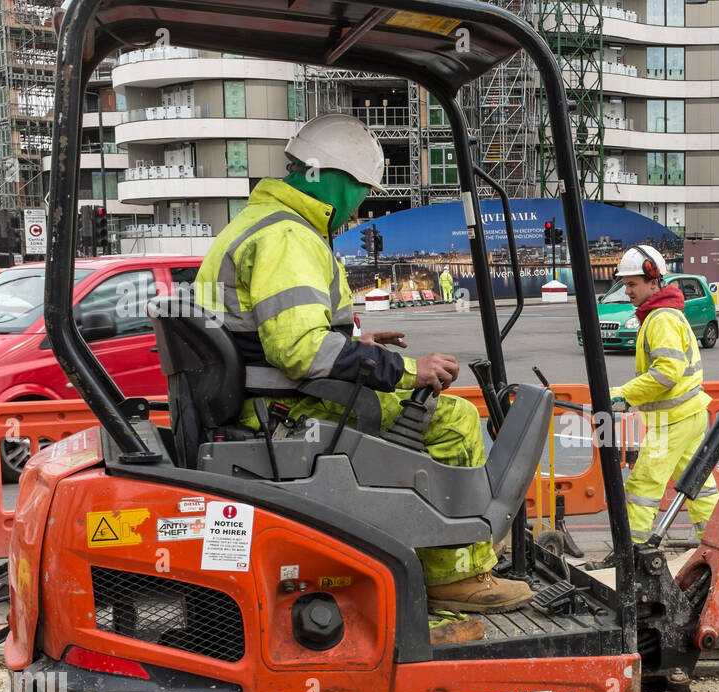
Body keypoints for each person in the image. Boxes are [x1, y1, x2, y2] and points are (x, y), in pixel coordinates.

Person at [194, 113, 533, 613]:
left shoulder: (252, 225)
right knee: (457, 422)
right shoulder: (289, 237)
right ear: (335, 178)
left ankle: (438, 539)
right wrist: (406, 370)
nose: (359, 206)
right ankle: (455, 576)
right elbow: (301, 351)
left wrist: (357, 342)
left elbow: (271, 335)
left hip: (257, 401)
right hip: (280, 412)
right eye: (360, 191)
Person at [608, 245, 719, 542]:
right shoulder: (668, 314)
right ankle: (716, 542)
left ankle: (631, 553)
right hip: (690, 413)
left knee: (643, 485)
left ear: (653, 281)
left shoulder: (660, 319)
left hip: (672, 419)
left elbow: (667, 373)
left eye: (632, 284)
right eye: (625, 284)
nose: (627, 291)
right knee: (699, 484)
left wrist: (624, 394)